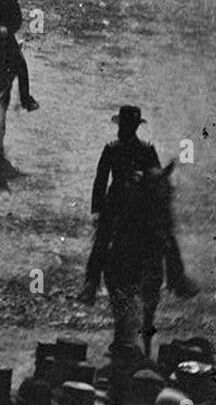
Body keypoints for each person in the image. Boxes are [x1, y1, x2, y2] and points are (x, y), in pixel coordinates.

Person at [79, 107, 196, 304]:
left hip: (128, 202)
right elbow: (101, 180)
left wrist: (99, 210)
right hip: (123, 203)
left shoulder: (121, 148)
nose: (122, 129)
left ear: (129, 127)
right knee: (105, 240)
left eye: (125, 126)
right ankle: (177, 279)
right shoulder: (130, 148)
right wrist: (99, 210)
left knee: (102, 242)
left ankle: (90, 286)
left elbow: (102, 181)